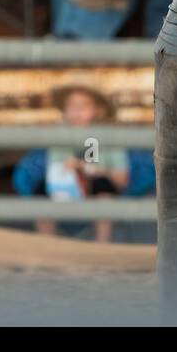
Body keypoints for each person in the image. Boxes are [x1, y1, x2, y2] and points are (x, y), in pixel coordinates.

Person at [13, 85, 130, 243]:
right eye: (72, 106)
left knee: (104, 192)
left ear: (98, 110)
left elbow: (122, 180)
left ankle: (102, 246)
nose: (77, 112)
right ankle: (48, 245)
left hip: (97, 189)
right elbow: (58, 170)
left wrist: (89, 168)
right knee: (40, 193)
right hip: (65, 188)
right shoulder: (59, 133)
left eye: (84, 105)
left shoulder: (109, 135)